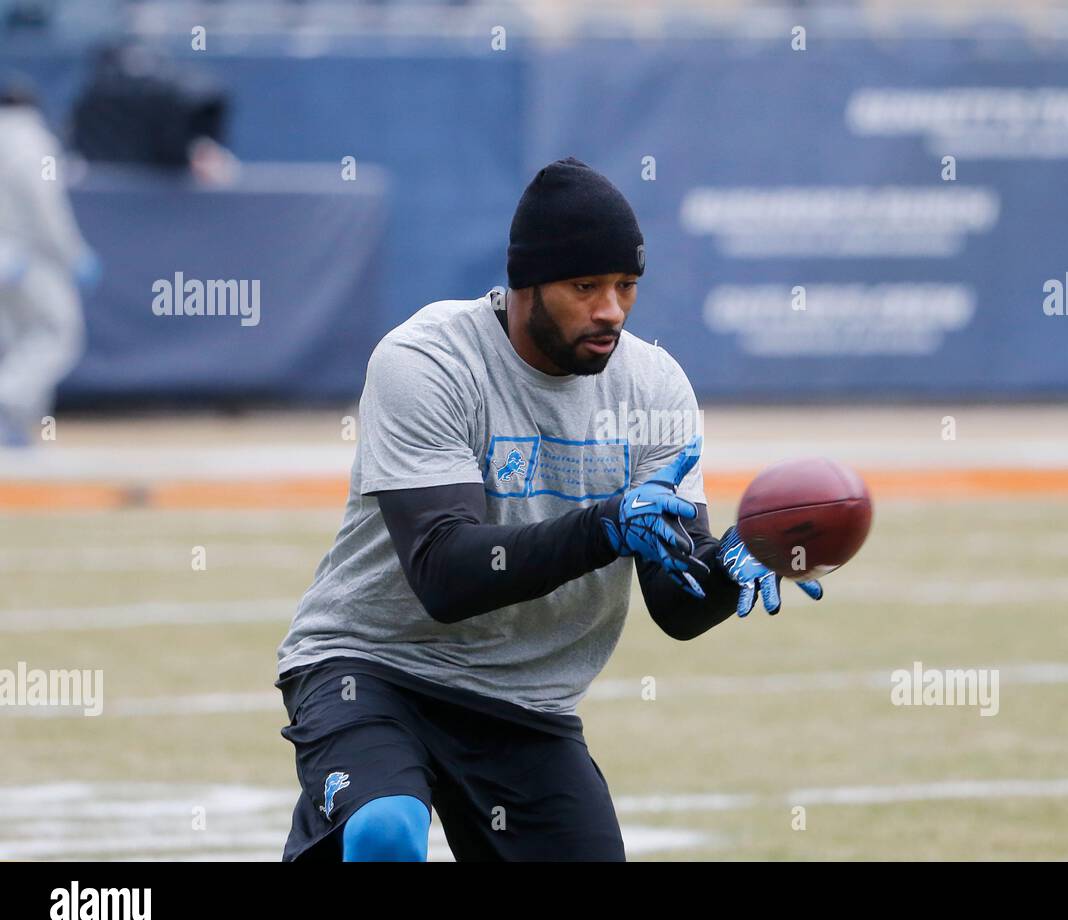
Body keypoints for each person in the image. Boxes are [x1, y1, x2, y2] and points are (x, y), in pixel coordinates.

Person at [275, 157, 826, 862]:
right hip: (375, 664)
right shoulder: (428, 359)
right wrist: (601, 526)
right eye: (584, 286)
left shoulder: (654, 387)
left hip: (525, 700)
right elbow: (445, 574)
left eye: (626, 286)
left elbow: (677, 605)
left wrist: (738, 556)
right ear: (525, 284)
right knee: (384, 831)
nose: (611, 310)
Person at [0, 79, 97, 448]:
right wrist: (72, 254)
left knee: (16, 341)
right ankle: (7, 401)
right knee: (59, 335)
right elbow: (45, 206)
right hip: (30, 258)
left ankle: (15, 430)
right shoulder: (30, 141)